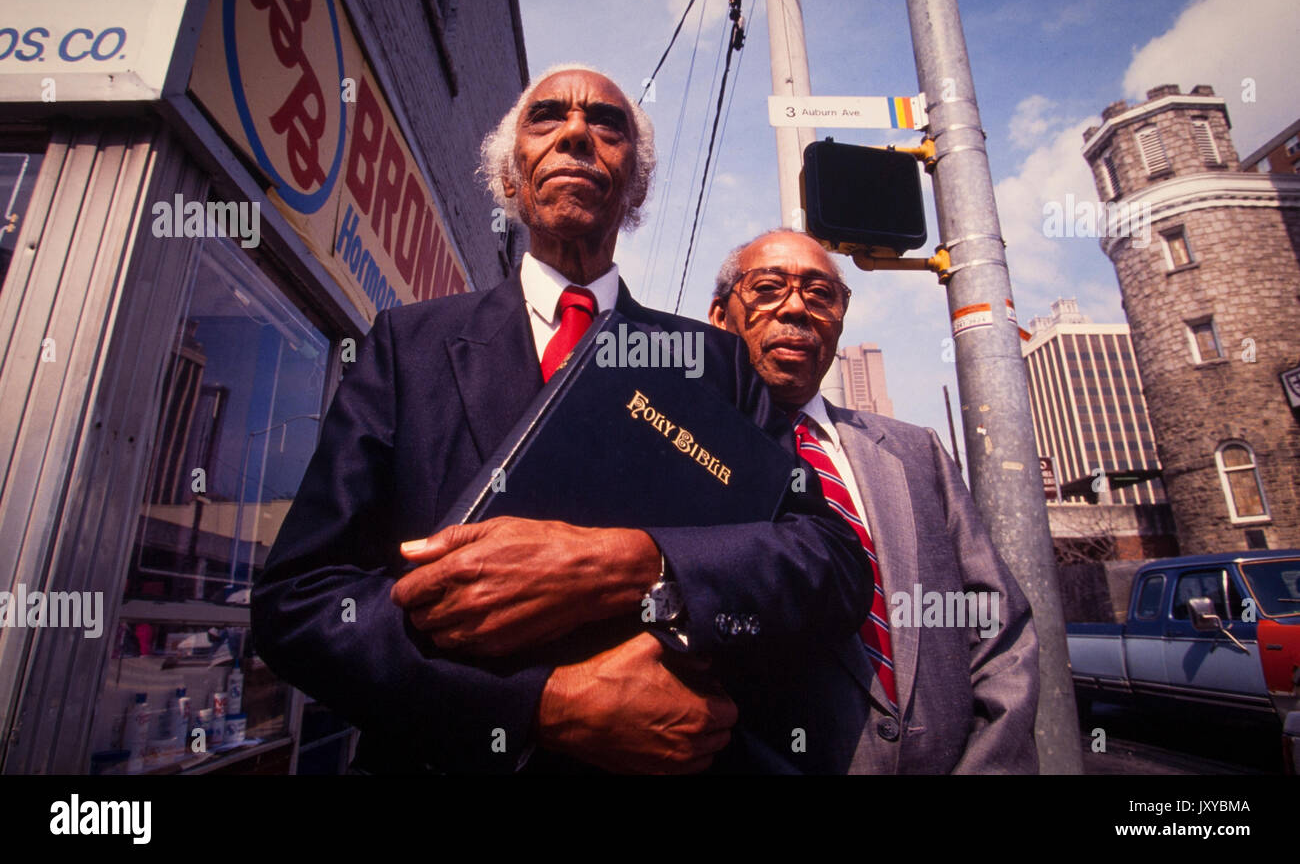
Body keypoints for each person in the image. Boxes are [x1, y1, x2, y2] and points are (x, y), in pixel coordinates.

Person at [250, 66, 871, 774]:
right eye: (547, 117)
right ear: (511, 175)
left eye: (609, 126)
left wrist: (630, 563)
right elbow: (298, 604)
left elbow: (831, 563)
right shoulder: (407, 346)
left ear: (635, 187)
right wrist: (542, 703)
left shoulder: (715, 364)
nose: (577, 132)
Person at [707, 229, 1040, 773]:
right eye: (768, 288)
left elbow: (999, 628)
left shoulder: (916, 452)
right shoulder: (687, 448)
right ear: (722, 316)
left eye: (821, 294)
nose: (796, 309)